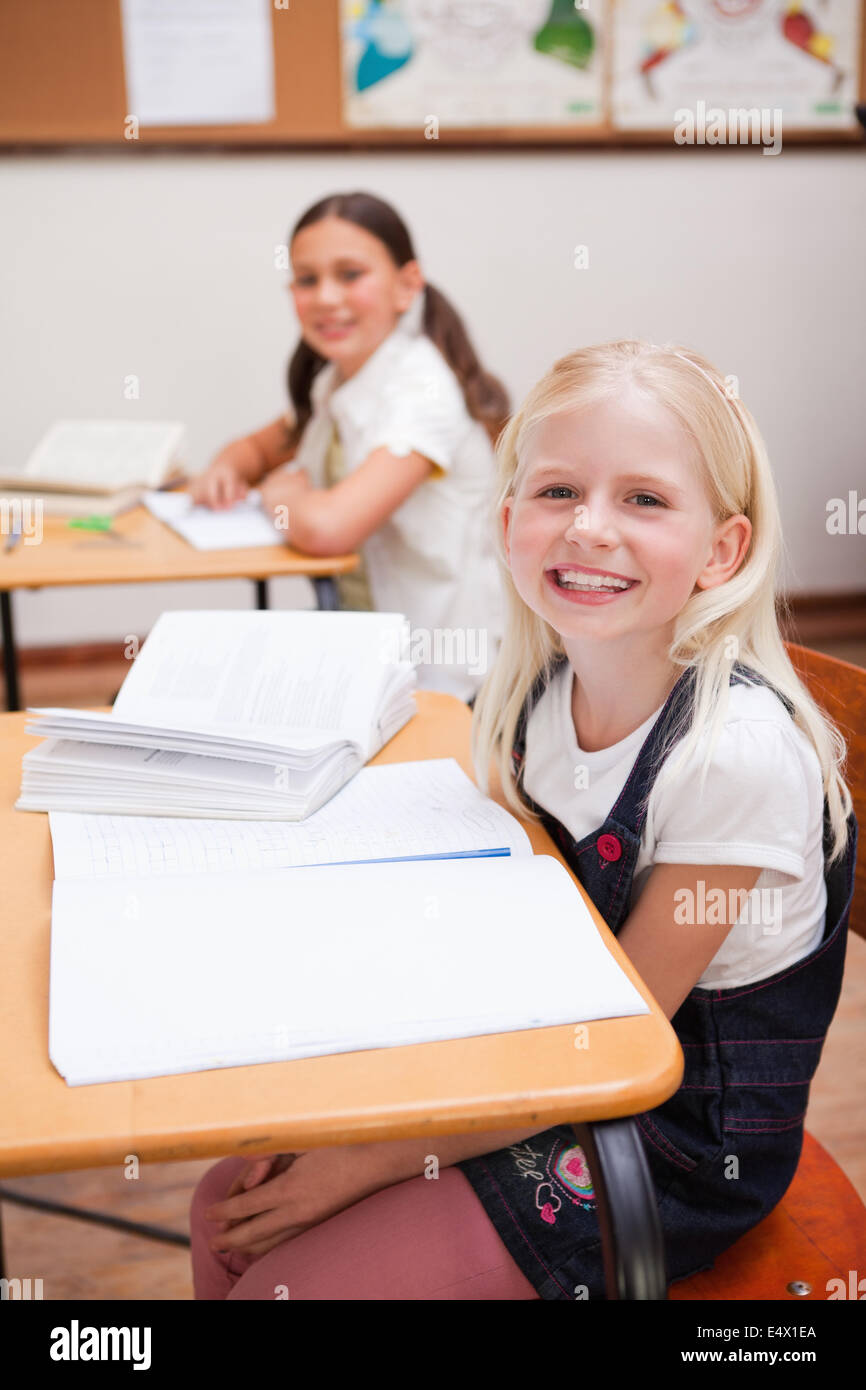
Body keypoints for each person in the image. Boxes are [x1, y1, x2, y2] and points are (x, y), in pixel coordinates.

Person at [189, 340, 855, 1300]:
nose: (590, 528)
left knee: (280, 1285)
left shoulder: (732, 756)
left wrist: (367, 1156)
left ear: (724, 550)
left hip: (655, 1143)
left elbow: (612, 1046)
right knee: (227, 1210)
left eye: (645, 499)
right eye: (556, 493)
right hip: (534, 1044)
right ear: (506, 523)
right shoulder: (538, 693)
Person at [190, 190, 508, 703]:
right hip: (367, 650)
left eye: (350, 275)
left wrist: (281, 492)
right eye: (306, 279)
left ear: (407, 286)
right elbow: (257, 447)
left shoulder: (423, 391)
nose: (325, 298)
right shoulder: (337, 381)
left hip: (447, 681)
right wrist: (226, 467)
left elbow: (328, 528)